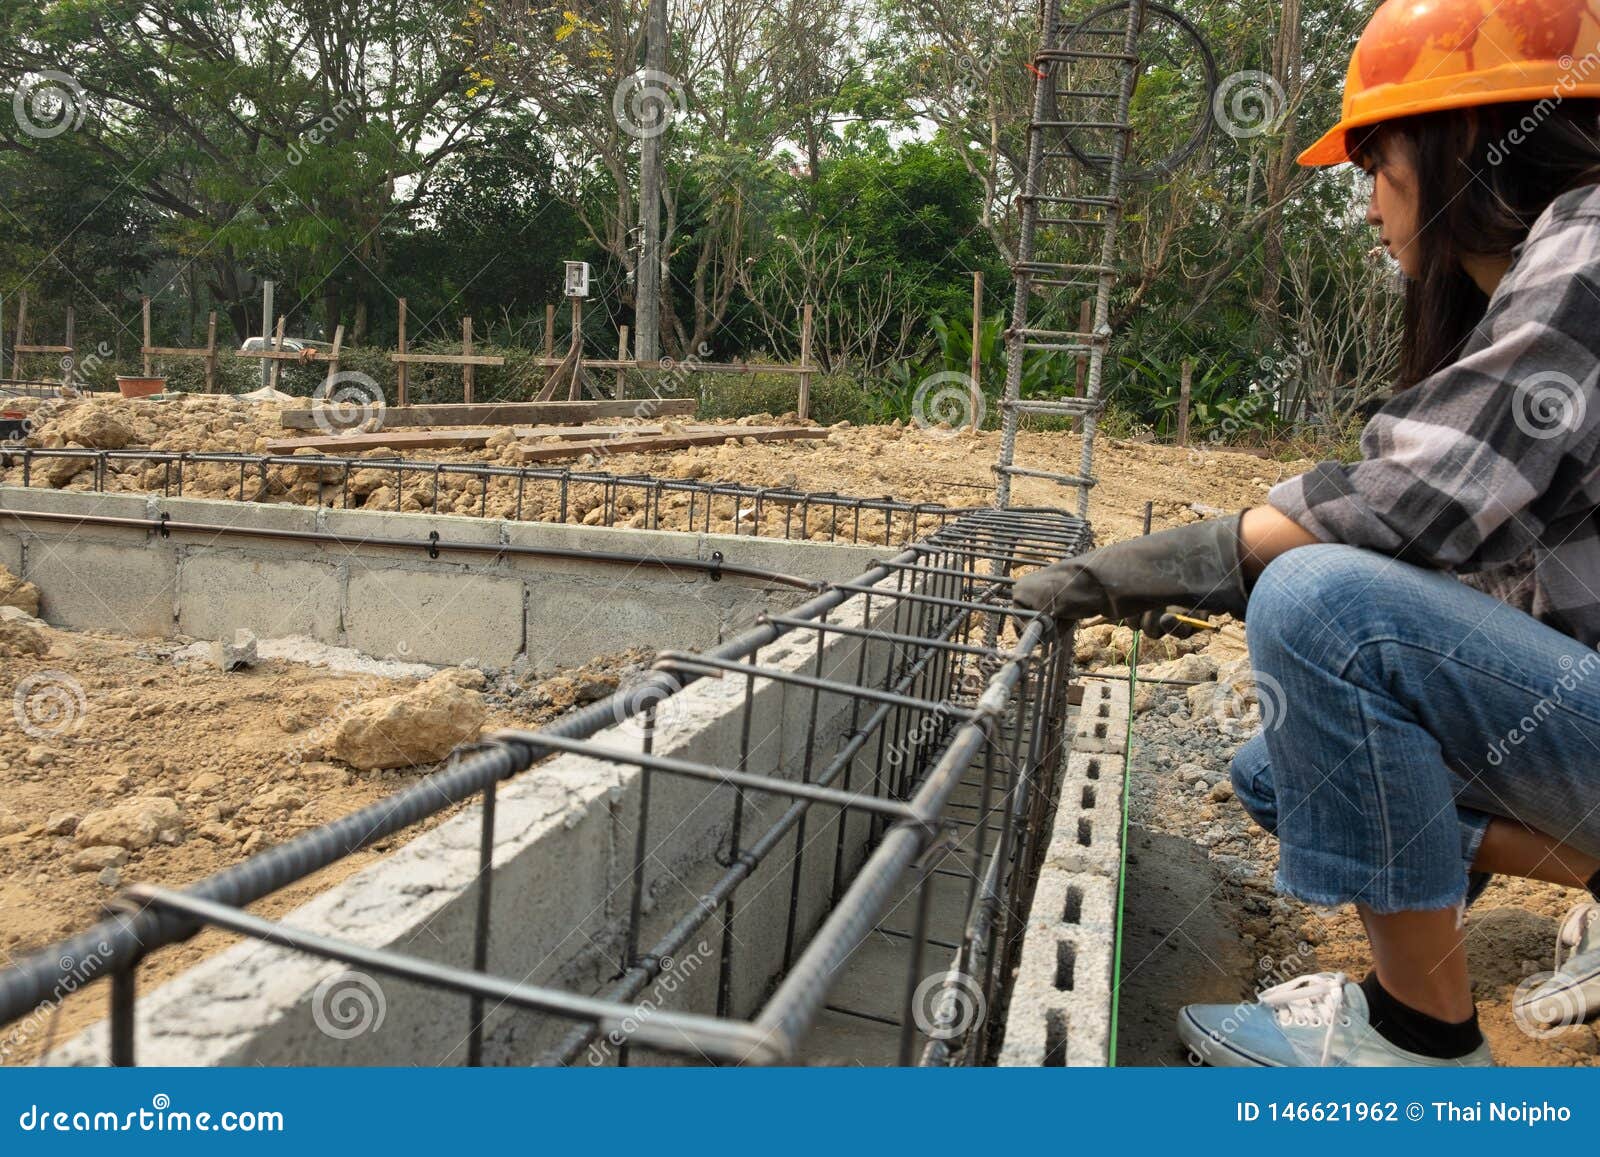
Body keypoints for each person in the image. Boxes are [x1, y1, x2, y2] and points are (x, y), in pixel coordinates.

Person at [1014, 0, 1600, 1067]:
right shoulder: (1537, 272)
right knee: (1283, 771)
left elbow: (1411, 504)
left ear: (1463, 138)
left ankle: (1417, 1043)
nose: (1369, 205)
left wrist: (1169, 563)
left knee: (1318, 600)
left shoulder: (1593, 240)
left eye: (1375, 165)